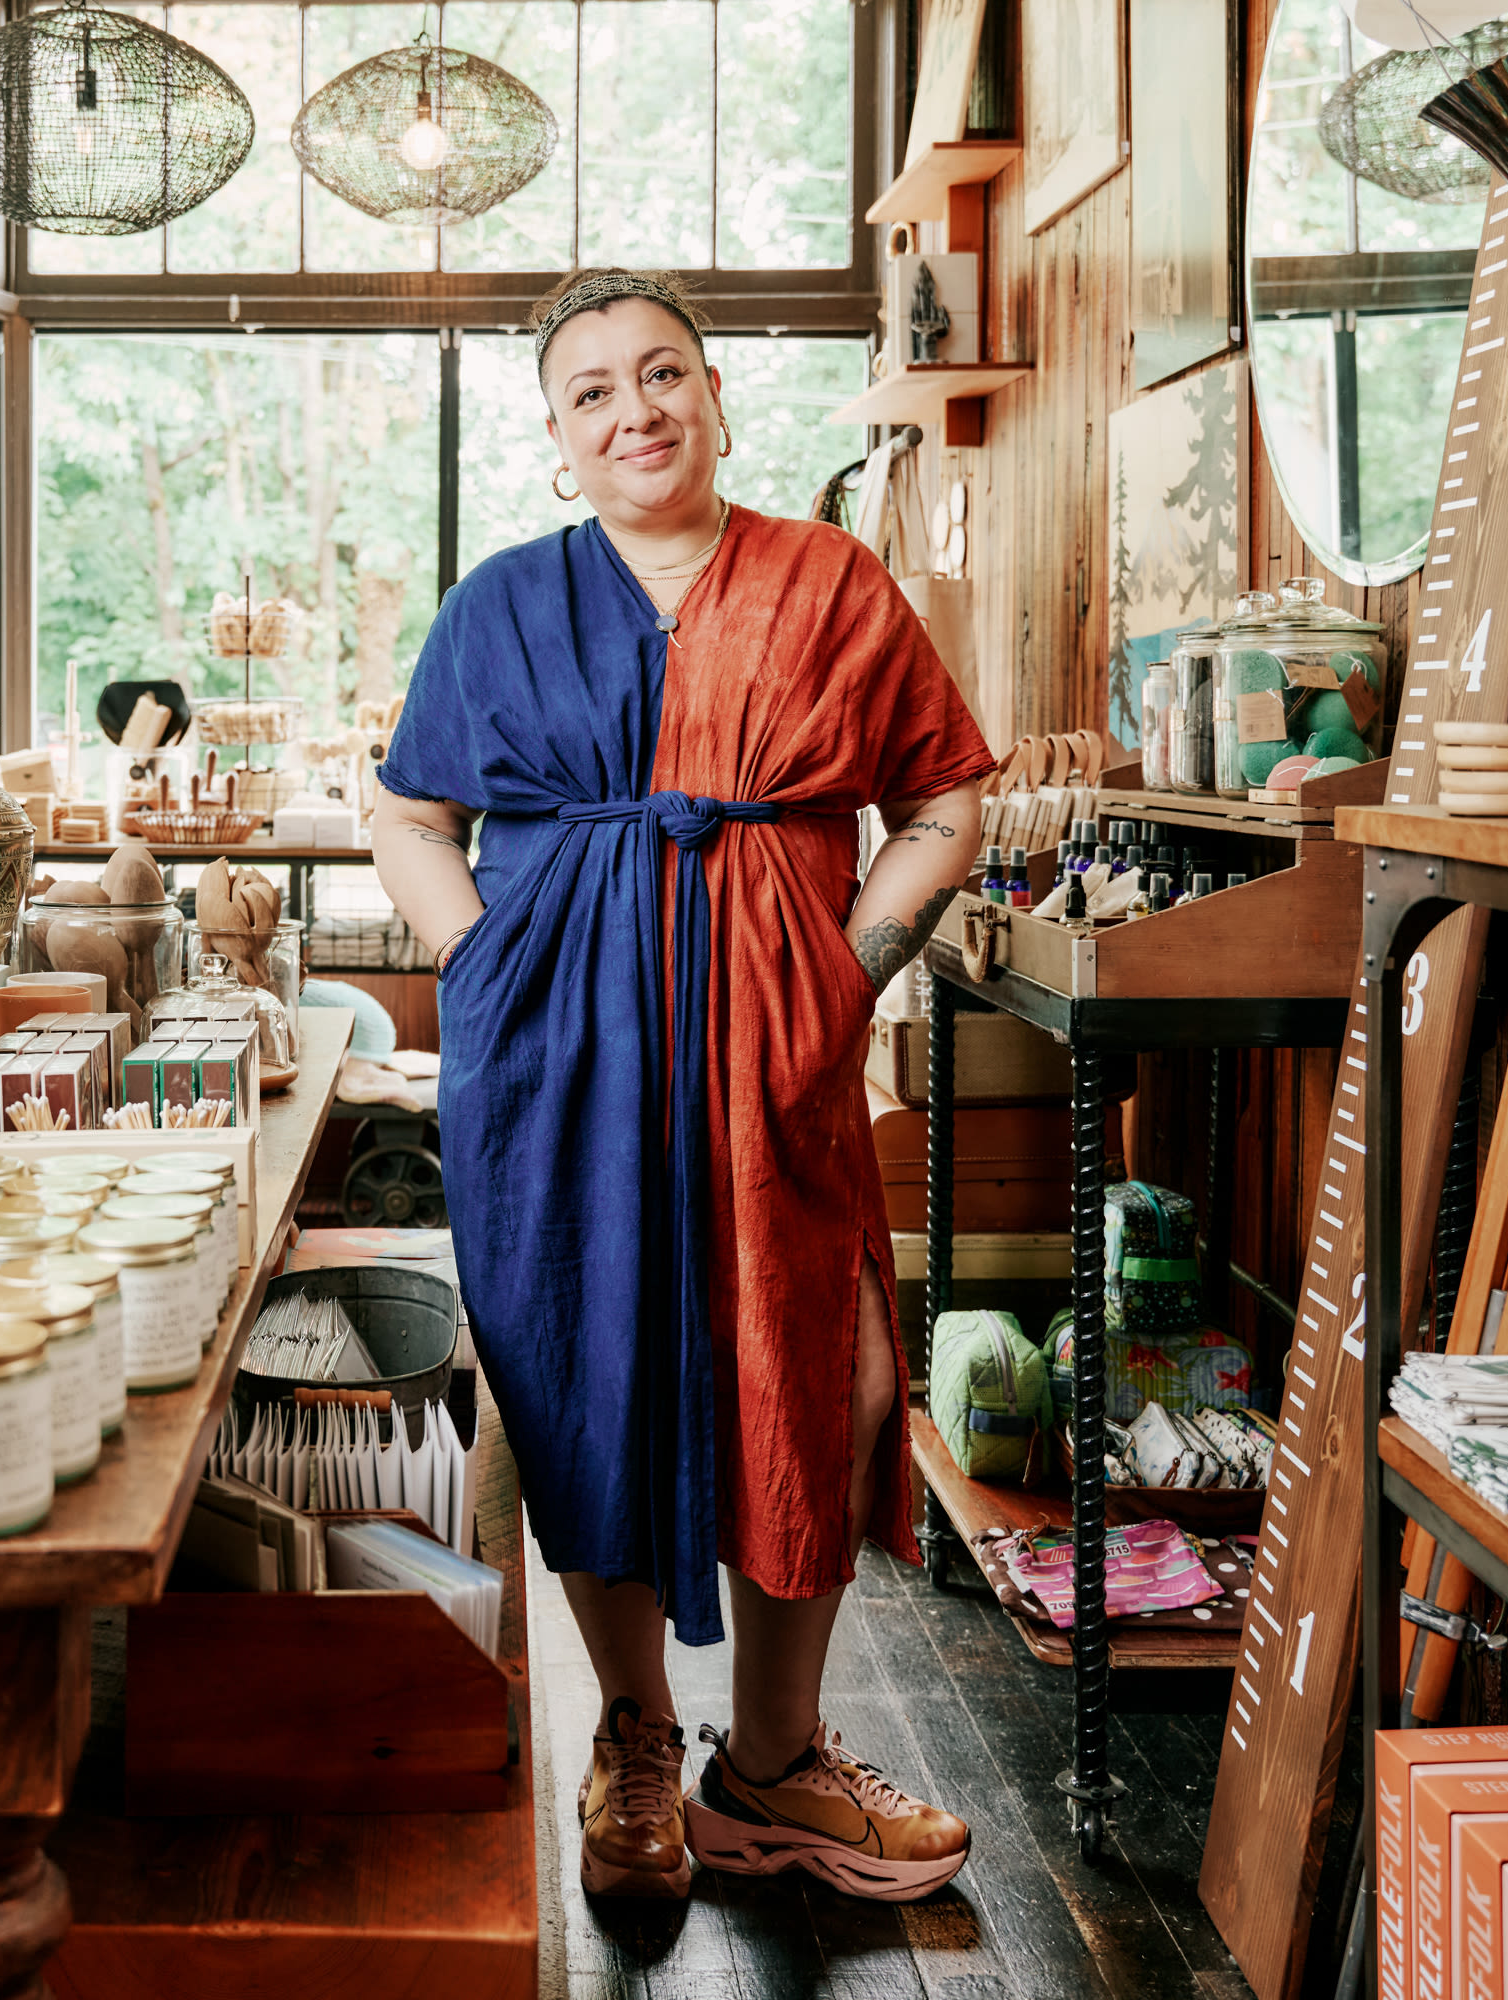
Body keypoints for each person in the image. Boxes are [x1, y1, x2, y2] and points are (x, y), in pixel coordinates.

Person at [371, 267, 994, 1904]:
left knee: (832, 1372)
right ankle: (638, 1744)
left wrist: (848, 966)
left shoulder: (831, 584)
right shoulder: (500, 604)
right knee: (591, 1375)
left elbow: (943, 801)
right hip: (557, 1052)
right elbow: (410, 816)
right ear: (557, 441)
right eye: (592, 392)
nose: (633, 410)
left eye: (663, 376)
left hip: (779, 1050)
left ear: (717, 398)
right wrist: (480, 967)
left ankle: (775, 1763)